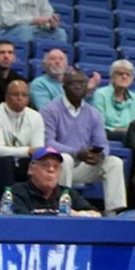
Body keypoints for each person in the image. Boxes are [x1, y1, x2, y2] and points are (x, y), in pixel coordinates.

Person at [40, 68, 128, 211]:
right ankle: (63, 208)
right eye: (75, 83)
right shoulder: (50, 110)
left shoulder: (93, 113)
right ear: (64, 86)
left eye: (83, 83)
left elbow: (102, 143)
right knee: (65, 158)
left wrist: (99, 154)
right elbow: (48, 142)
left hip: (84, 164)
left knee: (114, 162)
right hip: (57, 166)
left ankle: (114, 212)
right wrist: (76, 152)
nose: (80, 87)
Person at [3, 147, 97, 215]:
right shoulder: (16, 192)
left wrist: (81, 214)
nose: (51, 170)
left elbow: (95, 214)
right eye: (45, 165)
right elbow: (21, 222)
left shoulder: (68, 194)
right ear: (31, 169)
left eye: (56, 166)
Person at [0, 77, 44, 169]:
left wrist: (31, 152)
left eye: (24, 95)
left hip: (23, 161)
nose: (20, 98)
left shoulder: (36, 116)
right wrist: (27, 151)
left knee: (39, 164)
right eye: (15, 94)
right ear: (6, 97)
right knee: (7, 161)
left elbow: (37, 149)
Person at [91, 59, 135, 131]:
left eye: (128, 74)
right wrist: (117, 130)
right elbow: (98, 125)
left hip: (128, 137)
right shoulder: (100, 94)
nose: (124, 77)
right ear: (112, 76)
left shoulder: (134, 97)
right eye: (120, 73)